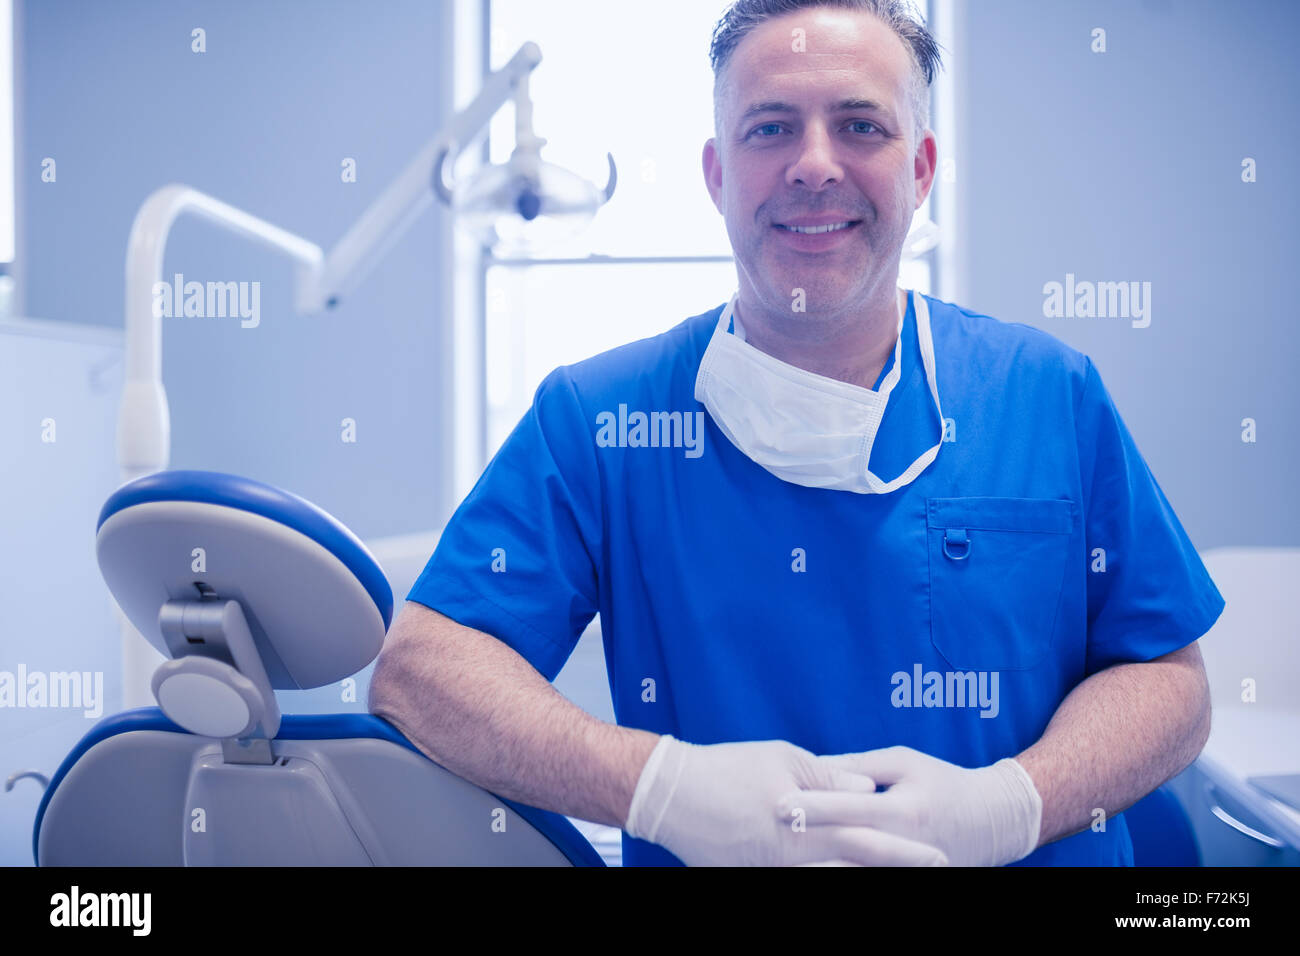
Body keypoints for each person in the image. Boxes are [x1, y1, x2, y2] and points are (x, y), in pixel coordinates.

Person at [368, 0, 1224, 867]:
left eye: (860, 125)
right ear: (717, 174)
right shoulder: (605, 420)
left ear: (922, 169)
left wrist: (1014, 804)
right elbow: (425, 671)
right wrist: (656, 784)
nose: (815, 167)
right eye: (771, 128)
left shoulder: (1047, 394)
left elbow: (1169, 681)